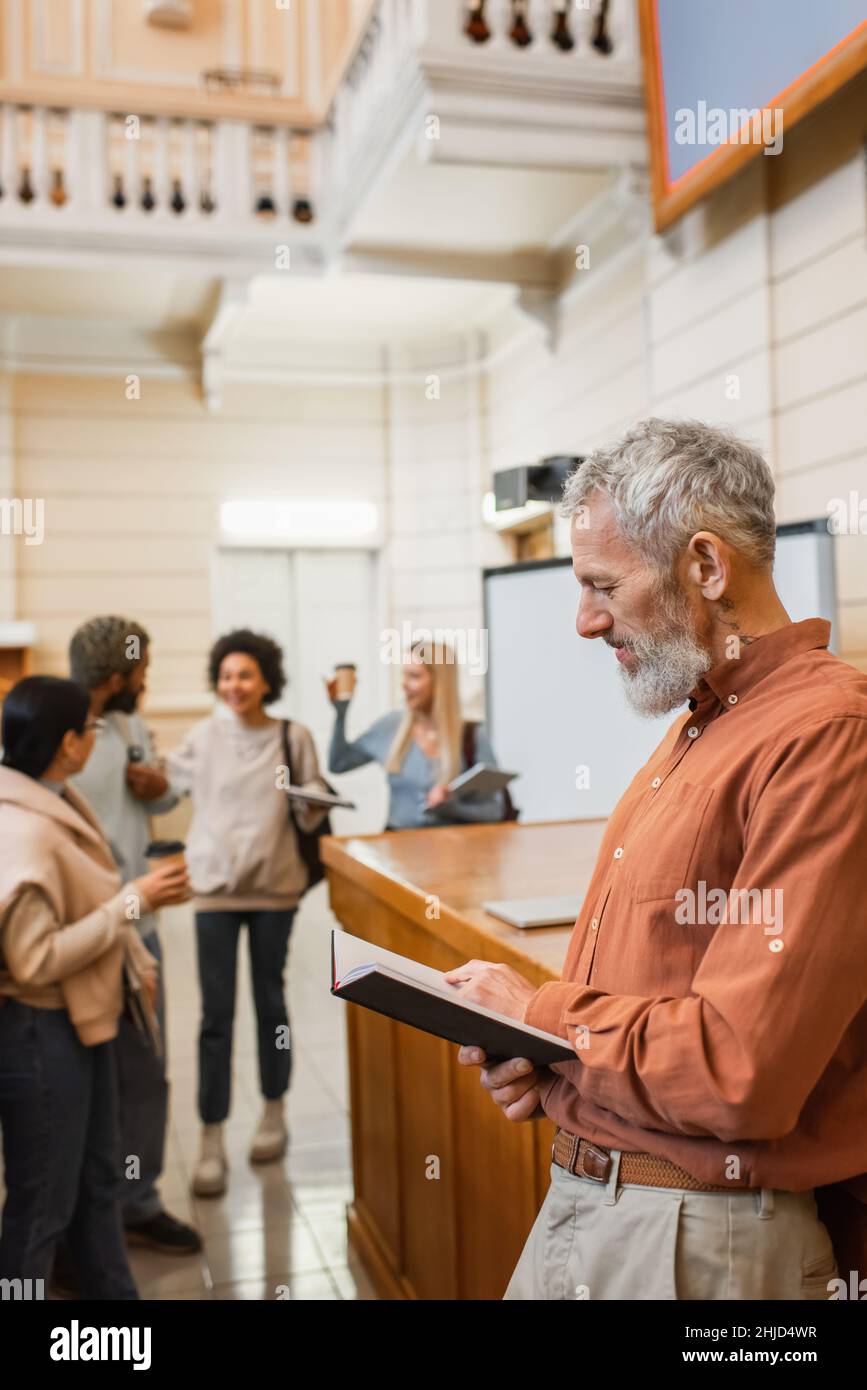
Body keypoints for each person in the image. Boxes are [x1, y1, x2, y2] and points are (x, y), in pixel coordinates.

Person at [448, 417, 867, 1301]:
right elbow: (661, 997)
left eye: (602, 585)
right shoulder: (699, 725)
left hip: (695, 1239)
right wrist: (545, 1055)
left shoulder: (827, 736)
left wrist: (544, 1018)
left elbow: (738, 1071)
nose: (583, 620)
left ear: (706, 567)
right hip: (606, 1206)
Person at [0, 676, 190, 1298]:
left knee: (97, 1181)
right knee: (42, 1204)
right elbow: (36, 960)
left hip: (84, 1019)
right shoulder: (23, 829)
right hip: (40, 1029)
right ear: (68, 743)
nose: (96, 736)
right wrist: (135, 903)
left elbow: (94, 894)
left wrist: (134, 951)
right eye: (91, 726)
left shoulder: (55, 795)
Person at [166, 629, 330, 1198]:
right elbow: (163, 786)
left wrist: (315, 802)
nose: (234, 685)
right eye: (227, 675)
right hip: (212, 890)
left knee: (270, 1004)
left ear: (267, 681)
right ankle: (210, 1135)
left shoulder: (294, 736)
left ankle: (273, 1112)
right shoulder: (202, 737)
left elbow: (313, 815)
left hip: (274, 890)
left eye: (246, 675)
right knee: (215, 1016)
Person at [69, 615, 201, 1256]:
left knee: (146, 1071)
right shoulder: (55, 731)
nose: (147, 680)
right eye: (142, 669)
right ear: (118, 674)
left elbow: (156, 801)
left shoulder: (130, 726)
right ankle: (81, 1215)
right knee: (78, 1078)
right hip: (76, 935)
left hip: (136, 926)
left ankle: (138, 1200)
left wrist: (161, 787)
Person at [327, 639, 506, 830]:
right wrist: (341, 712)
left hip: (450, 852)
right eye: (404, 675)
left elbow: (495, 810)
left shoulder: (472, 736)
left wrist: (452, 806)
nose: (403, 684)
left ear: (439, 682)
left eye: (413, 676)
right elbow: (339, 764)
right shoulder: (389, 727)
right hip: (397, 847)